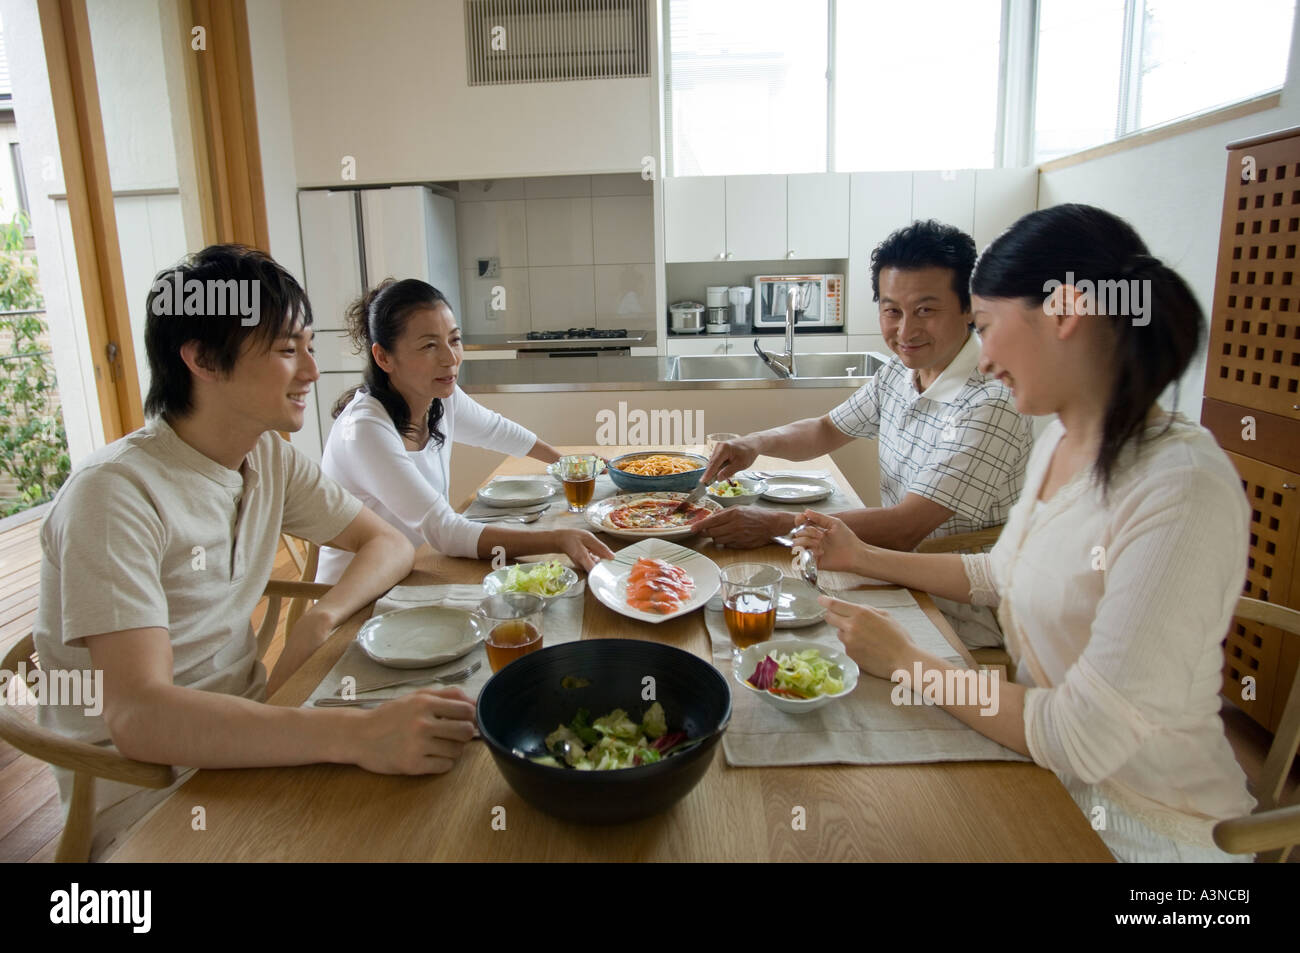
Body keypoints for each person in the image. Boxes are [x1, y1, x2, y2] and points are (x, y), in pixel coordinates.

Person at [792, 204, 1255, 862]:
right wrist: (862, 553)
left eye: (984, 326)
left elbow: (1080, 737)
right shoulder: (1065, 439)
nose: (981, 360)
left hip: (1150, 834)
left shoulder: (1181, 488)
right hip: (1042, 769)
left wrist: (907, 663)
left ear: (1064, 314)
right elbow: (998, 574)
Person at [33, 246, 477, 861]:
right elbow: (141, 718)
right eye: (286, 350)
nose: (313, 372)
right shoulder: (114, 495)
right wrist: (357, 733)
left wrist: (322, 618)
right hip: (152, 793)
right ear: (202, 359)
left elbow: (388, 542)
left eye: (309, 347)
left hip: (257, 732)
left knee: (457, 789)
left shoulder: (263, 456)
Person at [696, 220, 1033, 649]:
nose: (906, 332)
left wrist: (775, 525)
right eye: (892, 311)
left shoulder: (990, 402)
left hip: (958, 600)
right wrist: (754, 444)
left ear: (969, 309)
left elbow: (906, 527)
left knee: (774, 630)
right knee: (740, 600)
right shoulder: (901, 370)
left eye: (926, 310)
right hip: (885, 562)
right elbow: (824, 430)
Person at [317, 278, 614, 582]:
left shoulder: (439, 398)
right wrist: (557, 539)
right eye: (429, 345)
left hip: (418, 570)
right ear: (384, 357)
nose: (450, 358)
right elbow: (445, 530)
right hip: (358, 600)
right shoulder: (364, 429)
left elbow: (497, 430)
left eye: (454, 340)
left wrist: (565, 464)